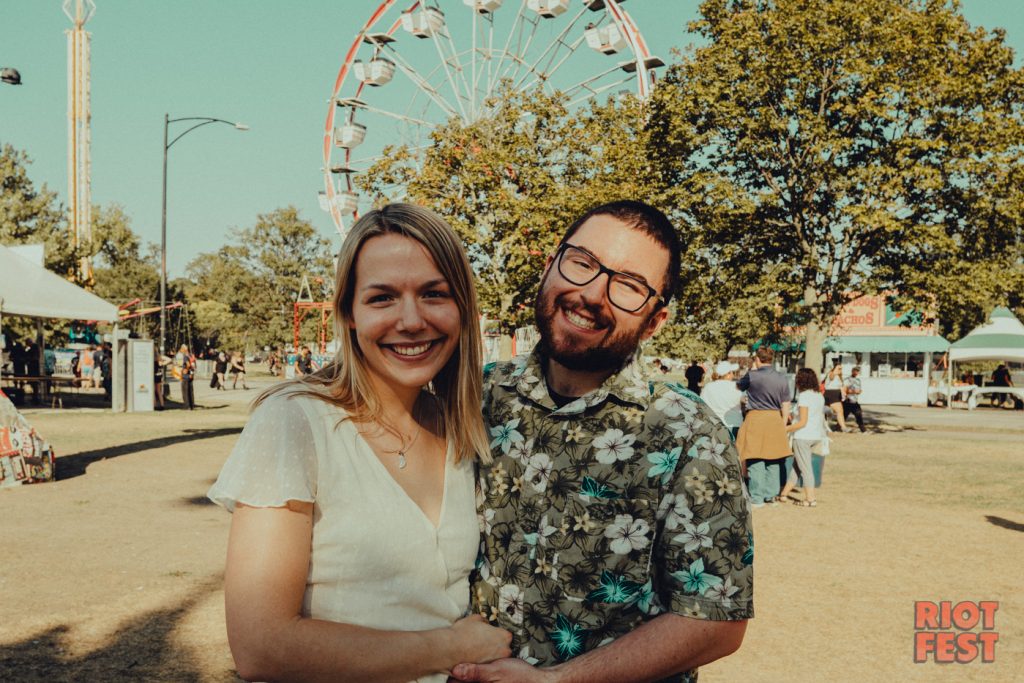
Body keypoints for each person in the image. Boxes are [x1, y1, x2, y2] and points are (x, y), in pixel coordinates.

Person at [207, 203, 511, 682]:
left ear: (463, 308)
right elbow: (260, 645)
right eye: (382, 298)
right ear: (348, 312)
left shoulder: (459, 426)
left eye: (434, 294)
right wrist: (450, 646)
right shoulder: (294, 422)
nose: (411, 320)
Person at [455, 201, 751, 683]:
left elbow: (717, 619)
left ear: (656, 321)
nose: (593, 293)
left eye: (630, 287)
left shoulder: (690, 434)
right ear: (551, 263)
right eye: (582, 262)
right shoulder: (473, 397)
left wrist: (556, 682)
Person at [736, 346, 793, 507]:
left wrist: (752, 369)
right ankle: (771, 495)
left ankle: (757, 497)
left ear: (757, 359)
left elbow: (739, 387)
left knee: (755, 458)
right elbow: (786, 403)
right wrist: (782, 423)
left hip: (756, 417)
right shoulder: (782, 378)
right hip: (775, 418)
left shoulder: (751, 376)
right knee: (773, 459)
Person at [779, 368, 826, 507]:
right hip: (815, 435)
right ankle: (784, 494)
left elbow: (802, 422)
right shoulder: (819, 396)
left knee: (805, 469)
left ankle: (810, 499)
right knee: (797, 467)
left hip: (803, 436)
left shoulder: (804, 396)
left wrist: (784, 429)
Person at [701, 360, 744, 437]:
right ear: (727, 374)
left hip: (715, 426)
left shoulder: (708, 387)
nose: (733, 375)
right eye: (731, 372)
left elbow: (702, 405)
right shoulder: (736, 387)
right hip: (734, 425)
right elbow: (744, 404)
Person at [823, 363, 848, 432]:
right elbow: (831, 377)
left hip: (836, 394)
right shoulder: (831, 374)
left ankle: (826, 427)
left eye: (841, 368)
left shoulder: (839, 377)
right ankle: (843, 427)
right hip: (831, 394)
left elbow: (841, 386)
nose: (840, 370)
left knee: (826, 412)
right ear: (834, 369)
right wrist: (835, 371)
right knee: (839, 411)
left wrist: (843, 391)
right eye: (839, 368)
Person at [842, 366, 867, 432]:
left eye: (857, 371)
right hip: (847, 400)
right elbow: (844, 390)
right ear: (852, 371)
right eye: (855, 371)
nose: (856, 372)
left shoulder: (858, 380)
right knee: (845, 415)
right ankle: (862, 429)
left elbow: (858, 390)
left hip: (854, 400)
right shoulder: (847, 379)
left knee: (858, 414)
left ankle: (862, 428)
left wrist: (859, 391)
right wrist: (853, 391)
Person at [179, 345, 196, 410]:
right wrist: (191, 373)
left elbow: (188, 364)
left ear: (184, 349)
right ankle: (192, 405)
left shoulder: (185, 356)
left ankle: (187, 406)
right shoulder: (191, 356)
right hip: (191, 375)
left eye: (181, 349)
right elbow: (194, 365)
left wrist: (185, 369)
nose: (181, 350)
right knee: (190, 391)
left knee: (185, 391)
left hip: (185, 376)